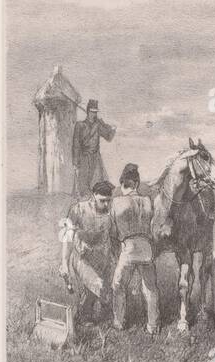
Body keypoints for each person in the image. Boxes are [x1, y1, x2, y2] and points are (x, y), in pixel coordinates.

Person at [109, 164, 161, 332]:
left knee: (118, 286)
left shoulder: (116, 202)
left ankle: (119, 323)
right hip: (147, 249)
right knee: (150, 288)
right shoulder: (147, 201)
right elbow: (153, 227)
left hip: (129, 249)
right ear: (137, 184)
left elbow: (112, 231)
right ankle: (153, 325)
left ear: (122, 184)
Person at [59, 179, 115, 322]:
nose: (106, 204)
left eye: (108, 201)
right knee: (98, 286)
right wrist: (64, 263)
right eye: (102, 201)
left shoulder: (111, 212)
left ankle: (88, 317)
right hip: (82, 257)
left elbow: (114, 237)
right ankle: (85, 317)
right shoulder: (78, 209)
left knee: (104, 292)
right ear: (94, 195)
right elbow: (68, 237)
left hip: (103, 256)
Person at [71, 99, 116, 197]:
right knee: (83, 185)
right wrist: (75, 162)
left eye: (95, 112)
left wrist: (112, 129)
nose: (93, 114)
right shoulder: (80, 125)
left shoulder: (98, 125)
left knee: (98, 185)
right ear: (88, 111)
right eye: (92, 112)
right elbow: (76, 145)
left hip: (96, 158)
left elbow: (108, 137)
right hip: (84, 158)